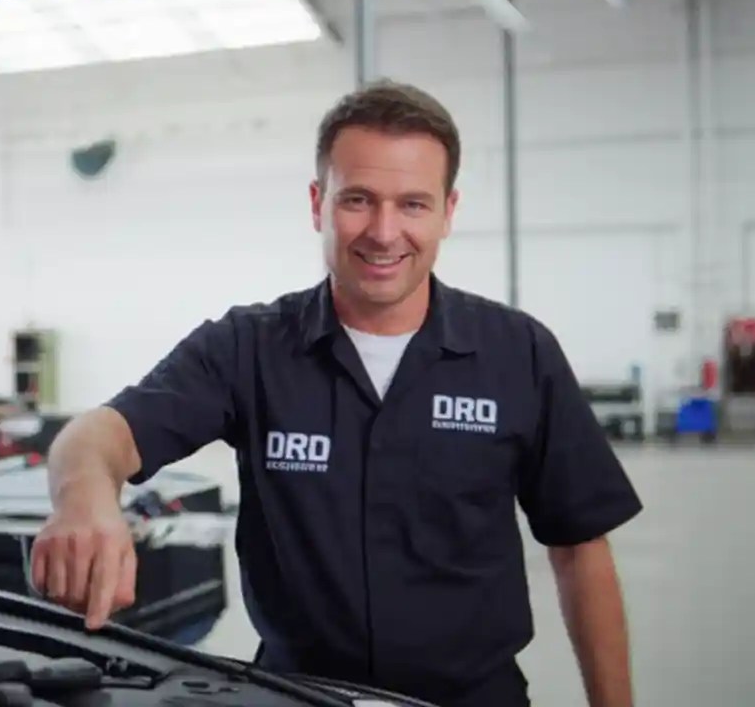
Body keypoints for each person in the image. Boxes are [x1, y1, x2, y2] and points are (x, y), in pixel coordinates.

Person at [31, 79, 643, 707]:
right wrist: (83, 501)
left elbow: (579, 548)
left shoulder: (519, 352)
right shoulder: (249, 348)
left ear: (448, 212)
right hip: (299, 696)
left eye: (412, 204)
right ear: (318, 203)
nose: (383, 231)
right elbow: (101, 434)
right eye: (358, 199)